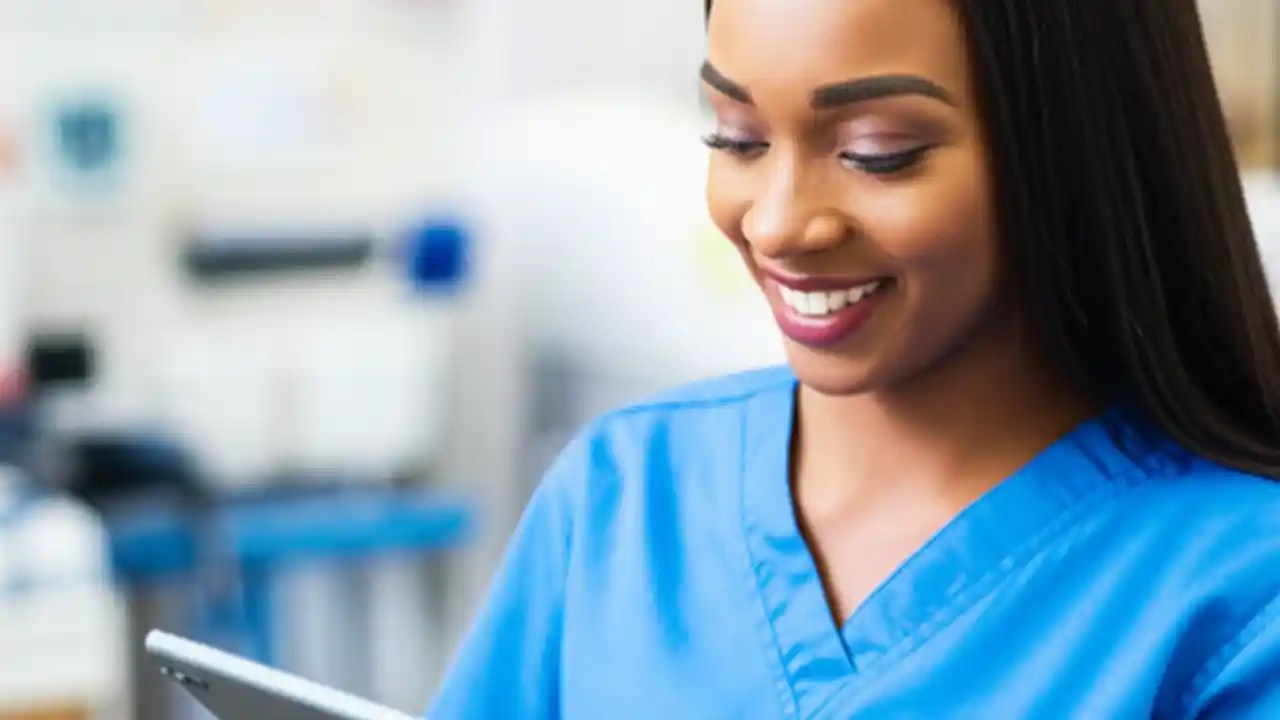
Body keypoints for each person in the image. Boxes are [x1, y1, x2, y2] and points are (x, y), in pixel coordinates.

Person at [430, 0, 1280, 717]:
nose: (776, 224)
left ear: (1076, 150)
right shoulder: (621, 494)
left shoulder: (1242, 589)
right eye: (737, 138)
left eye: (877, 153)